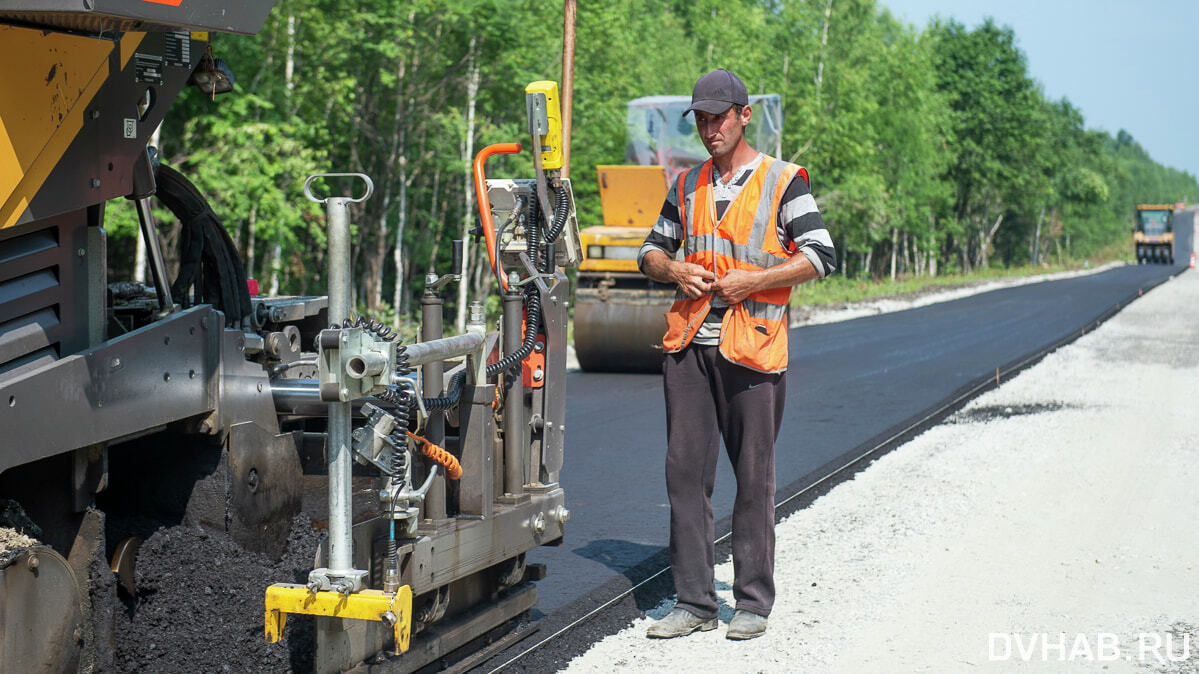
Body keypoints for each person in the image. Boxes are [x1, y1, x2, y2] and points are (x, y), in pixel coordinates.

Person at [638, 69, 835, 641]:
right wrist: (673, 268)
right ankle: (695, 602)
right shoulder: (686, 184)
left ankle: (751, 601)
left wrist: (754, 282)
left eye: (718, 117)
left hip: (752, 351)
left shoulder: (782, 181)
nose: (708, 129)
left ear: (744, 115)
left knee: (754, 478)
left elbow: (821, 255)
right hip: (690, 350)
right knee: (683, 477)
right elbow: (651, 251)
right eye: (700, 119)